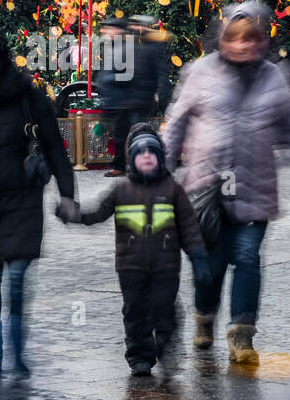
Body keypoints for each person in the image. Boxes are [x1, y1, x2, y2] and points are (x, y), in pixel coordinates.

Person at [162, 1, 290, 365]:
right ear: (224, 39)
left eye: (250, 39)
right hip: (206, 186)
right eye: (236, 39)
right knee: (209, 266)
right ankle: (205, 316)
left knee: (246, 258)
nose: (243, 46)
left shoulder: (274, 75)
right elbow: (177, 120)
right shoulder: (200, 72)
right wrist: (160, 171)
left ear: (260, 41)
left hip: (255, 184)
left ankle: (242, 333)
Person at [0, 30, 76, 377]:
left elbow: (54, 145)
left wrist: (67, 195)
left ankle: (16, 351)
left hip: (21, 199)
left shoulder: (26, 94)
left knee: (18, 275)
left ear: (0, 58)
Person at [56, 123, 206, 376]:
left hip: (166, 267)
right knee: (134, 311)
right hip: (130, 268)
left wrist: (198, 256)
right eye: (140, 153)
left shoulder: (172, 190)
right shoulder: (121, 190)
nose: (146, 156)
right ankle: (140, 356)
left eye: (151, 152)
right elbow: (96, 212)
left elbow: (189, 227)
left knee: (164, 308)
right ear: (131, 159)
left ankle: (166, 344)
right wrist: (74, 213)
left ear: (159, 158)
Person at [95, 17, 133, 177]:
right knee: (118, 134)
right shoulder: (113, 47)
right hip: (112, 99)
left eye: (108, 29)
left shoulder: (124, 48)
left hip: (121, 100)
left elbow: (126, 74)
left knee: (121, 135)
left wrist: (107, 80)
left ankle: (121, 166)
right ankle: (121, 164)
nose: (104, 31)